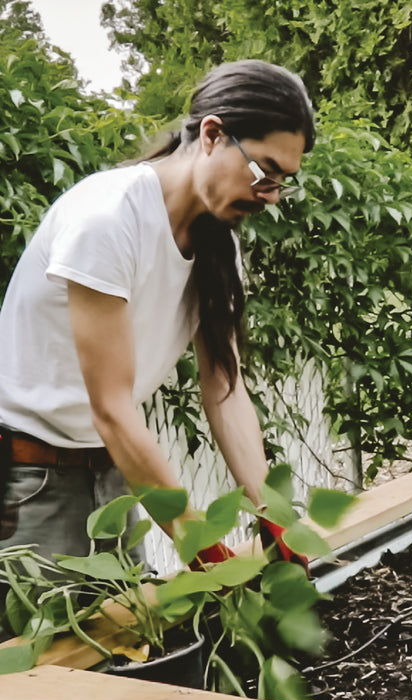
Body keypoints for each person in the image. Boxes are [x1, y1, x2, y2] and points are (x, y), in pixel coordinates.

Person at [0, 59, 314, 582]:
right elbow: (113, 409)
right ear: (212, 134)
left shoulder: (218, 242)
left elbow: (225, 390)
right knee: (47, 656)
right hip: (31, 482)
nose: (273, 195)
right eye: (264, 170)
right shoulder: (108, 219)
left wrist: (273, 515)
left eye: (284, 181)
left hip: (111, 472)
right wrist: (200, 543)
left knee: (131, 645)